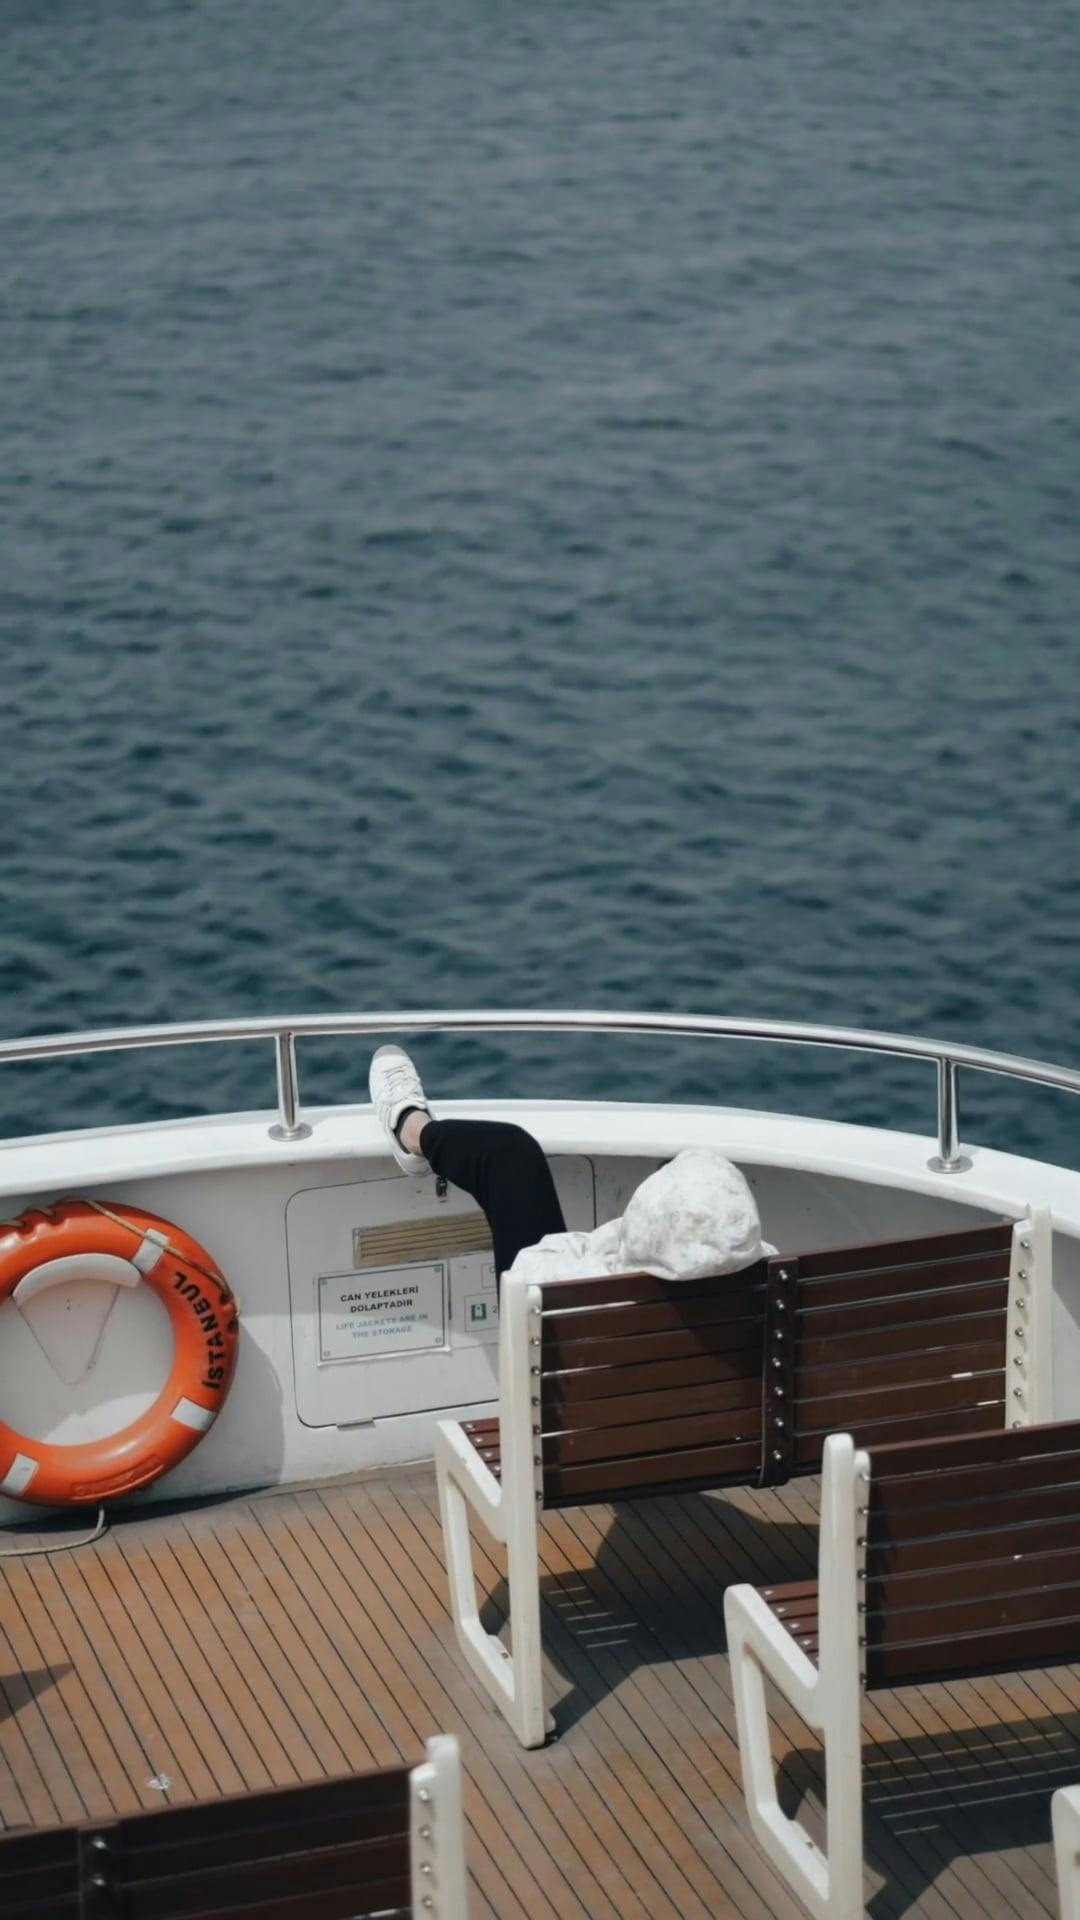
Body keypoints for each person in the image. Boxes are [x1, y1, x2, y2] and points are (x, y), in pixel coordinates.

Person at [368, 1045, 775, 1289]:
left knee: (510, 1154)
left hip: (571, 1426)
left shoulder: (561, 1292)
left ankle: (411, 1128)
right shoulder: (778, 1294)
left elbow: (546, 1257)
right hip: (727, 1429)